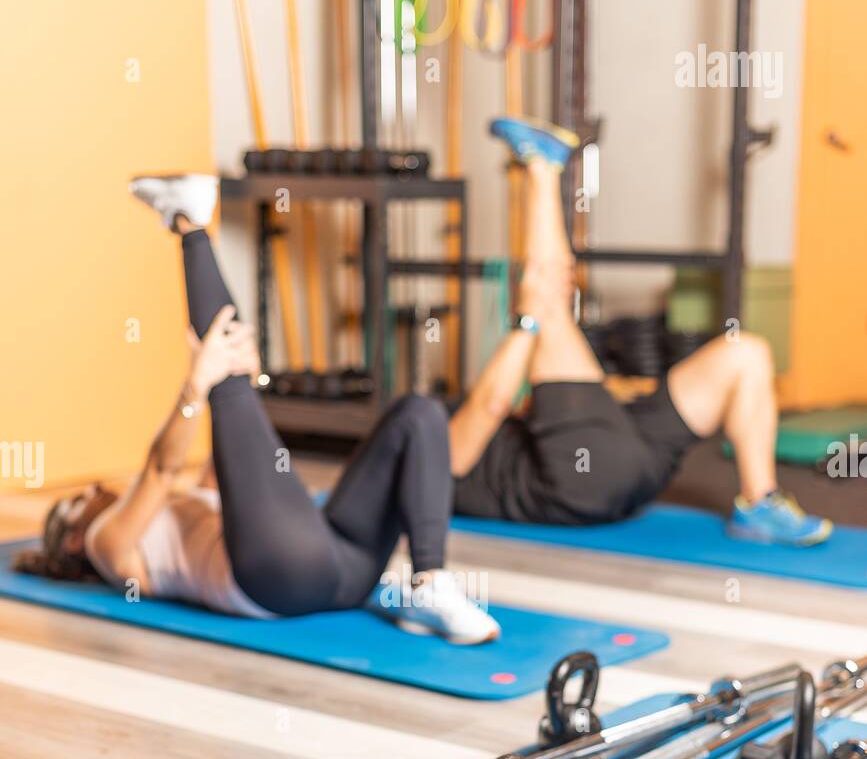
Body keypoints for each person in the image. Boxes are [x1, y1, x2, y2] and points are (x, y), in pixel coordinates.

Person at [18, 175, 500, 645]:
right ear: (72, 539)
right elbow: (162, 469)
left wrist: (247, 381)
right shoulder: (107, 546)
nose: (98, 490)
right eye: (77, 500)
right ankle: (188, 222)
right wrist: (196, 387)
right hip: (280, 581)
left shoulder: (177, 507)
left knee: (418, 413)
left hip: (347, 566)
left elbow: (243, 464)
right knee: (223, 378)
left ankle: (429, 581)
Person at [449, 117, 832, 546]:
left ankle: (759, 503)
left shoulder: (426, 419)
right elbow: (491, 405)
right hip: (583, 481)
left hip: (624, 461)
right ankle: (541, 166)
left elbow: (503, 408)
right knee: (546, 306)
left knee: (744, 354)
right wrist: (525, 325)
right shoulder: (429, 457)